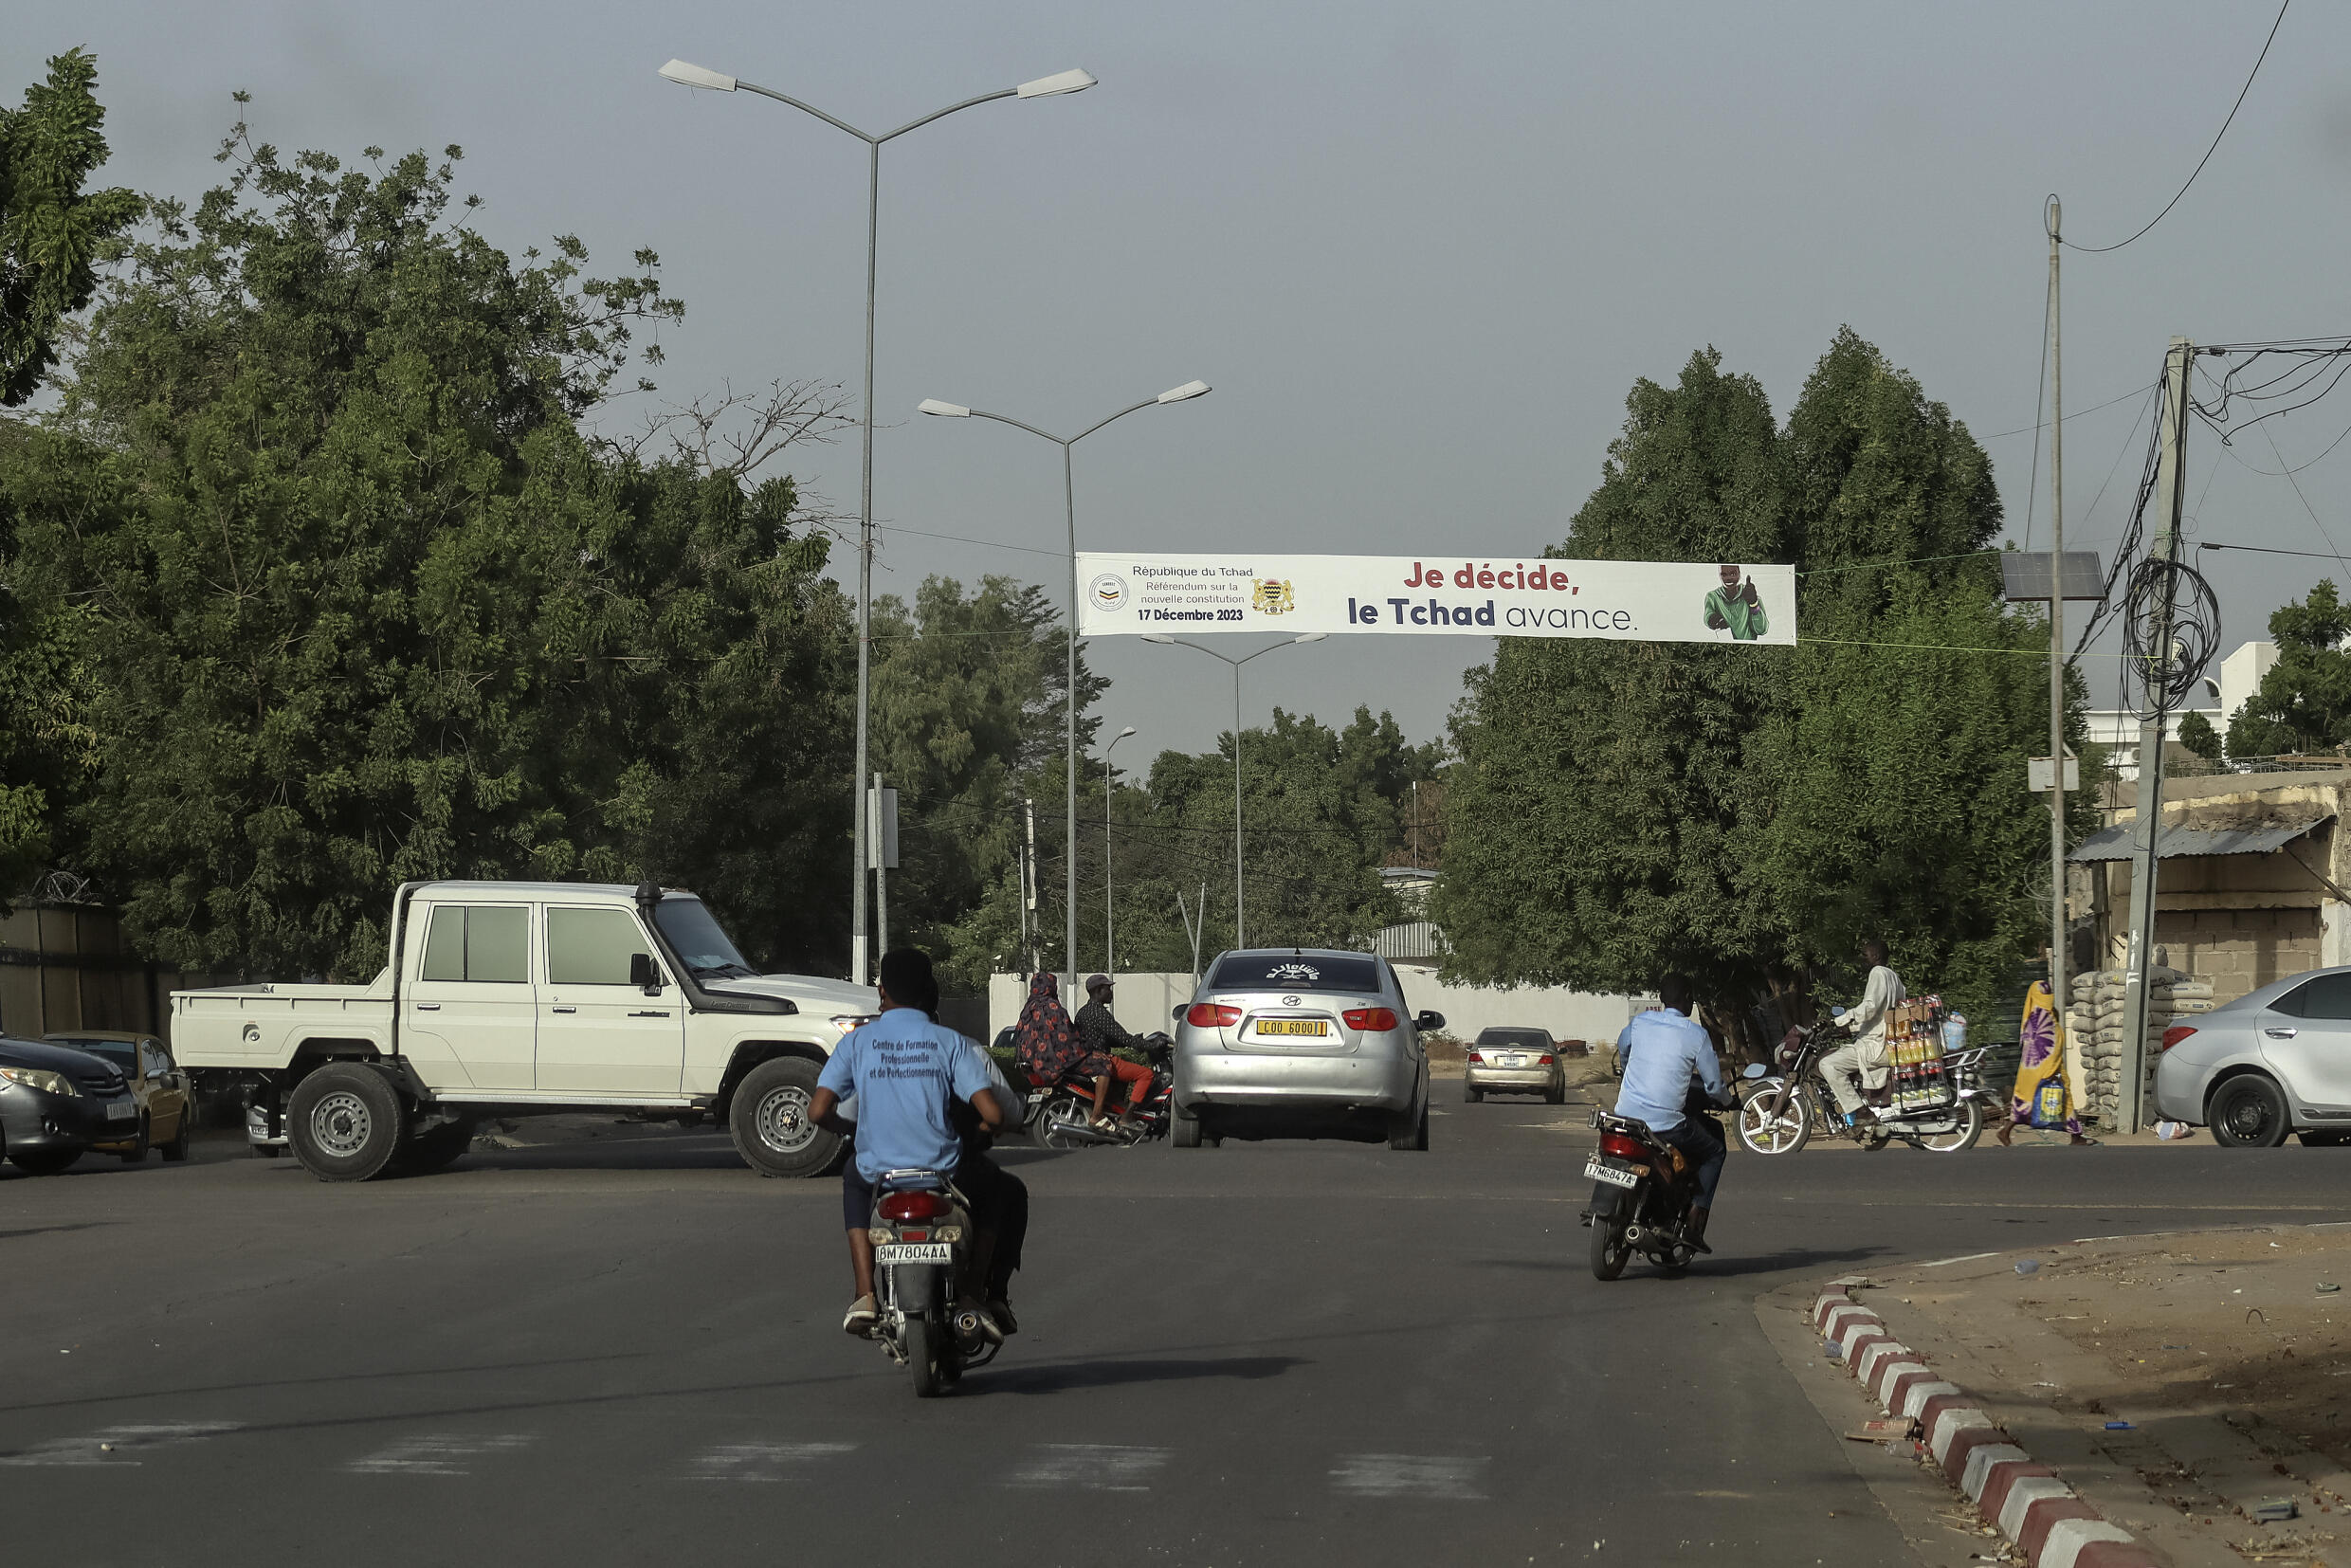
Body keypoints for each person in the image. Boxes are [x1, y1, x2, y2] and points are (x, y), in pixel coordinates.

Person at [811, 948, 1006, 1340]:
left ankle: (865, 1294)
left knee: (853, 1181)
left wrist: (848, 1128)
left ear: (882, 992)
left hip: (877, 1171)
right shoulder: (948, 1042)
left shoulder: (857, 1043)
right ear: (927, 992)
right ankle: (971, 1295)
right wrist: (979, 1132)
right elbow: (995, 1115)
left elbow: (817, 1112)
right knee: (1000, 1194)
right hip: (943, 1171)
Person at [1611, 974, 1730, 1252]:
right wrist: (1727, 1101)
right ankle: (1693, 1222)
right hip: (1664, 1125)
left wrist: (1629, 1069)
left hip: (1625, 1118)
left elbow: (1623, 1047)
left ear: (1662, 999)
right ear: (1688, 999)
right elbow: (1713, 1085)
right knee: (1715, 1150)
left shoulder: (1639, 1023)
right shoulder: (1696, 1035)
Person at [1821, 939, 1904, 1124]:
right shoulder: (1894, 977)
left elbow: (1870, 1008)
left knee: (1828, 1064)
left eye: (1865, 955)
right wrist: (1849, 1028)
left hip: (1874, 1045)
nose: (1862, 959)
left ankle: (1860, 1113)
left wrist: (1838, 1021)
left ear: (1875, 956)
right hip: (1885, 1042)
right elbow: (1880, 1017)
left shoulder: (1878, 973)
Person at [1074, 975, 1156, 1131]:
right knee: (1146, 1074)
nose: (1111, 992)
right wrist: (1150, 1045)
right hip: (1102, 1059)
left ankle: (1116, 1108)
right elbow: (1124, 1037)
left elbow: (1106, 1038)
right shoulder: (1099, 1013)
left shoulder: (1082, 1012)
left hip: (1087, 1059)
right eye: (1108, 988)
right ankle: (1128, 1116)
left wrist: (1135, 1043)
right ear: (1098, 991)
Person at [1703, 563, 1769, 641]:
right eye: (1724, 575)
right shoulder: (1713, 597)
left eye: (1733, 574)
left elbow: (1762, 630)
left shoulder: (1751, 595)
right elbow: (1708, 616)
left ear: (1739, 575)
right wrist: (1713, 620)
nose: (1728, 578)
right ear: (1720, 576)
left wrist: (1754, 605)